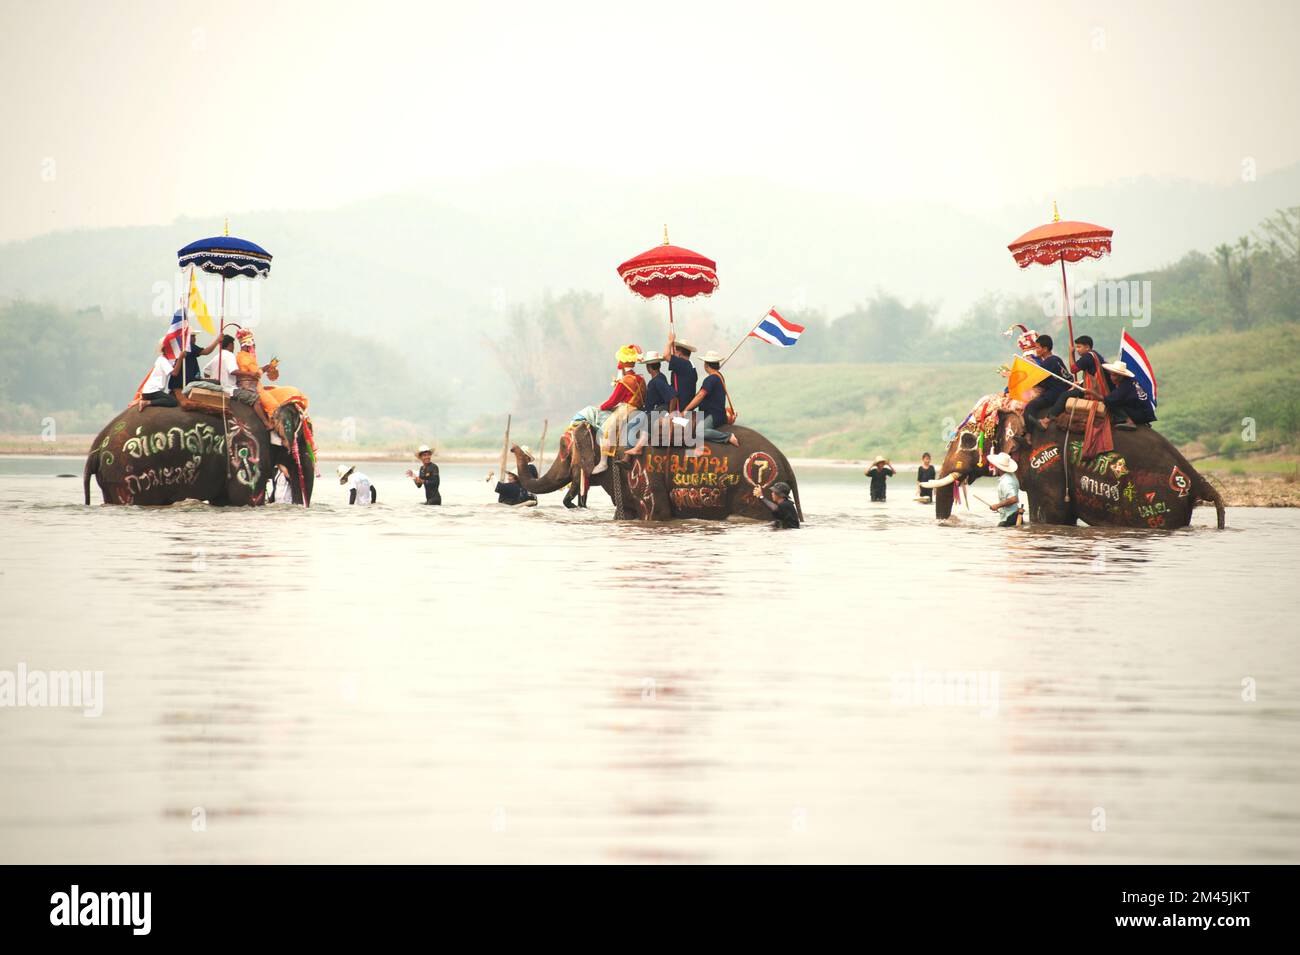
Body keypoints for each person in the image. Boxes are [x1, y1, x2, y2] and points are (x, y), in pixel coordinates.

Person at [589, 346, 646, 474]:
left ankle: (603, 462)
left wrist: (601, 407)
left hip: (627, 409)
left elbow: (612, 401)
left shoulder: (625, 381)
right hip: (639, 409)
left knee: (607, 429)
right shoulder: (641, 379)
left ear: (623, 363)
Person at [678, 350, 738, 448]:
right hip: (715, 413)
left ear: (706, 365)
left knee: (700, 431)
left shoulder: (711, 379)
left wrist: (685, 410)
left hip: (714, 415)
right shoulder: (719, 377)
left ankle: (727, 437)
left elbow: (700, 396)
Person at [626, 351, 673, 457]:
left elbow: (671, 396)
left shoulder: (657, 381)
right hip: (653, 409)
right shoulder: (661, 377)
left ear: (648, 368)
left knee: (631, 424)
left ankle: (629, 454)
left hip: (657, 410)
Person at [1022, 334, 1072, 431]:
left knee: (1030, 407)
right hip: (1063, 390)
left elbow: (1037, 381)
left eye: (1037, 347)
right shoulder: (1056, 359)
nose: (1035, 350)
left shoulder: (1049, 362)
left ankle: (1029, 434)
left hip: (1054, 394)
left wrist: (1032, 367)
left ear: (1045, 349)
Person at [1100, 361, 1157, 430]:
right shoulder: (1132, 381)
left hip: (1141, 414)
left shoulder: (1125, 386)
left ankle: (1129, 422)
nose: (1112, 378)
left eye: (1115, 375)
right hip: (1147, 413)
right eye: (1111, 375)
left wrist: (1093, 393)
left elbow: (1109, 399)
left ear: (1121, 376)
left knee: (1111, 403)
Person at [168, 323, 222, 392]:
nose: (194, 338)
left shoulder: (181, 347)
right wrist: (217, 340)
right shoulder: (188, 346)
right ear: (187, 337)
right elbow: (206, 352)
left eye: (194, 336)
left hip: (184, 381)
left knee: (214, 382)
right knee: (217, 383)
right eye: (192, 336)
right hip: (186, 382)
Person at [137, 344, 181, 408]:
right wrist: (180, 358)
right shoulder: (163, 360)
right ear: (165, 350)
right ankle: (147, 402)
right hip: (153, 390)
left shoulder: (162, 359)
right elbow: (174, 373)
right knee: (173, 401)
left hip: (149, 390)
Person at [986, 451, 1022, 527]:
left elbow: (1013, 499)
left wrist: (997, 506)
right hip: (1013, 514)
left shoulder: (1006, 481)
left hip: (1009, 517)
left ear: (998, 468)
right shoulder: (1012, 476)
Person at [664, 333, 698, 412]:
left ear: (679, 353)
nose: (674, 353)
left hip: (681, 410)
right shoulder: (690, 366)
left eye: (675, 351)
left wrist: (670, 341)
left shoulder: (683, 364)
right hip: (687, 409)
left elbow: (666, 355)